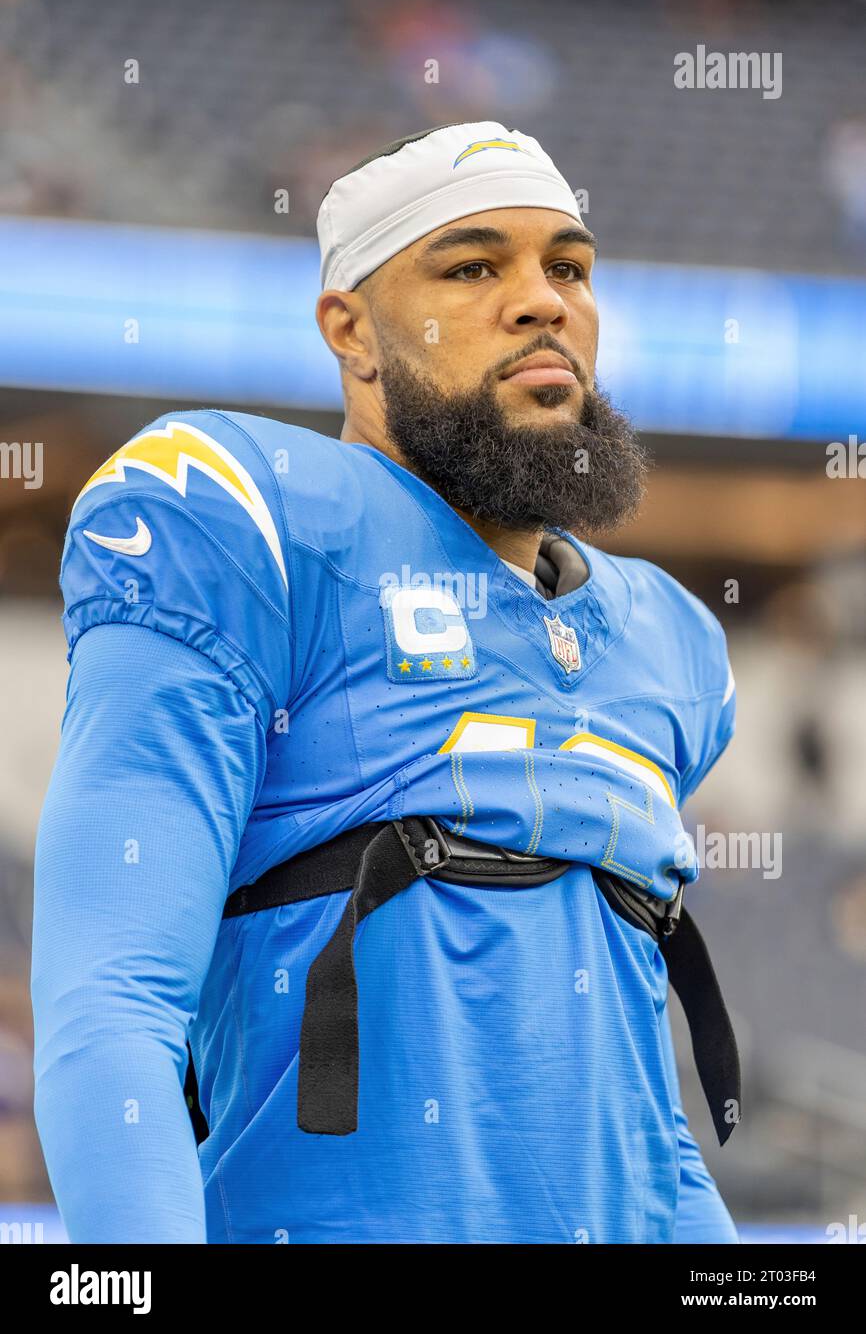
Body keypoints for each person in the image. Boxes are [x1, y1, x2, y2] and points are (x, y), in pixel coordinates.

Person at [32, 120, 739, 1244]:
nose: (540, 300)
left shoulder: (665, 642)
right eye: (470, 267)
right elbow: (110, 1005)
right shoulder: (246, 525)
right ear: (352, 330)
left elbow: (640, 1113)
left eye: (567, 266)